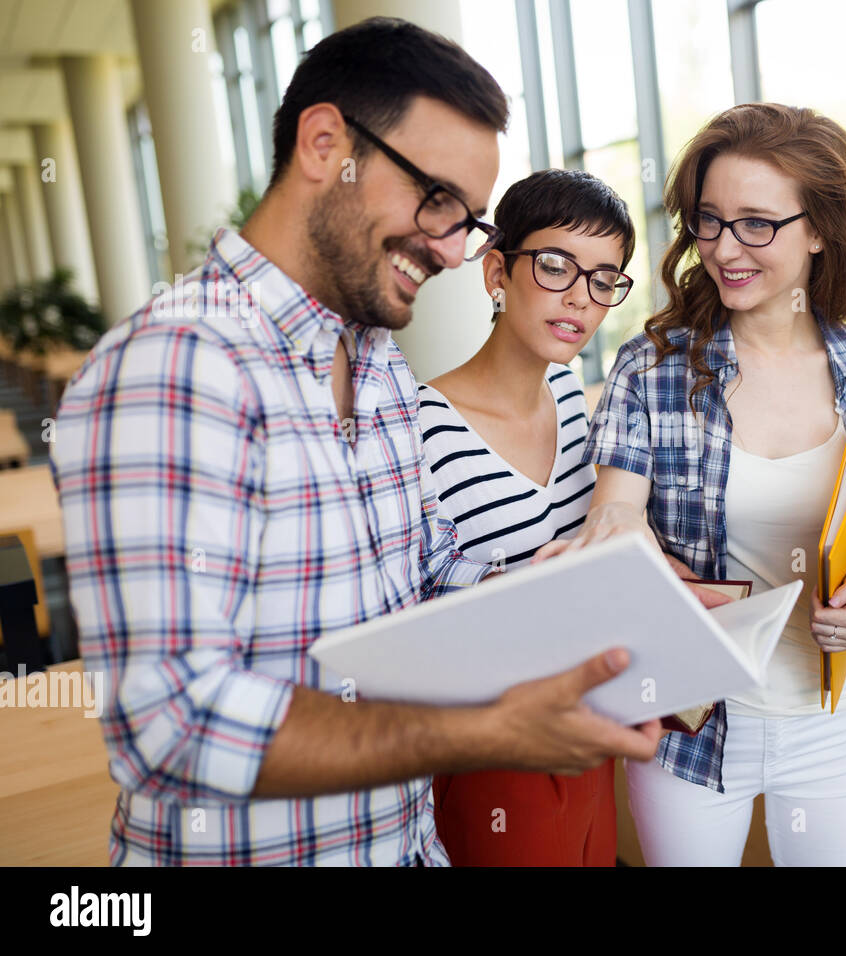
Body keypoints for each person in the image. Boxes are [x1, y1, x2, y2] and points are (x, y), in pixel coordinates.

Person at [49, 17, 660, 867]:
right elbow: (171, 729)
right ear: (325, 143)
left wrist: (608, 597)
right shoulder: (178, 366)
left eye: (468, 221)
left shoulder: (375, 367)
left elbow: (439, 574)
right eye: (436, 199)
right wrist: (480, 731)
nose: (451, 249)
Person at [536, 103, 846, 866]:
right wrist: (627, 540)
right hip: (692, 717)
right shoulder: (653, 368)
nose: (724, 248)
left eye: (757, 223)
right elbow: (616, 508)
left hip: (833, 717)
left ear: (817, 229)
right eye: (710, 222)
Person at [418, 168, 637, 865]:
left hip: (587, 718)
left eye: (604, 279)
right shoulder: (421, 427)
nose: (580, 296)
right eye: (554, 266)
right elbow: (416, 589)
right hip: (493, 740)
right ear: (496, 273)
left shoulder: (572, 393)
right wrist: (522, 580)